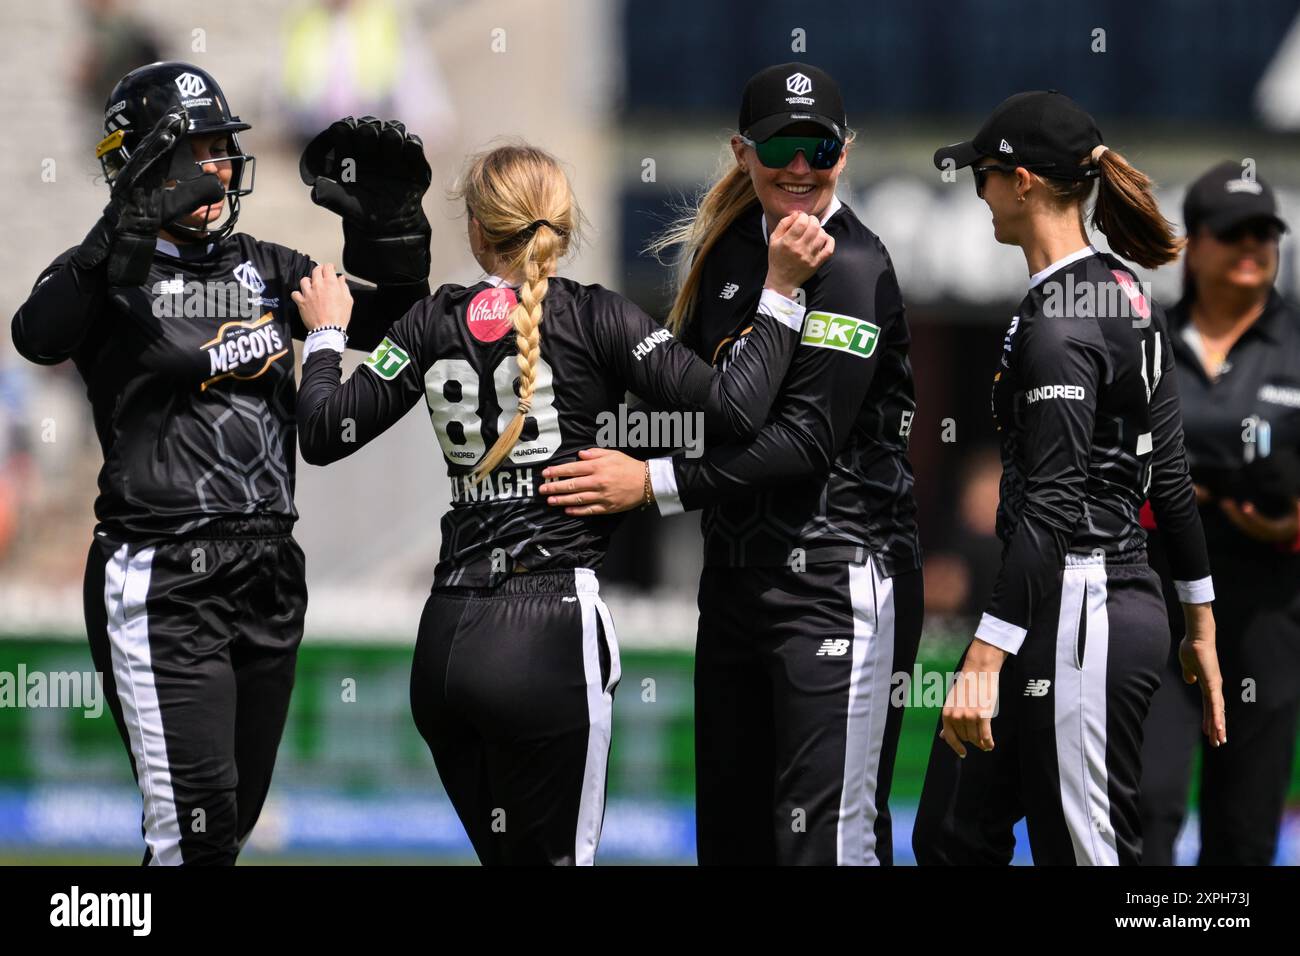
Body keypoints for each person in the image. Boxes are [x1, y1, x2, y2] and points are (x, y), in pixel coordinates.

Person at [293, 143, 829, 864]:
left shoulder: (428, 322)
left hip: (447, 637)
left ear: (478, 231)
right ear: (565, 224)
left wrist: (327, 332)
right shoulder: (598, 316)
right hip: (546, 632)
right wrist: (782, 291)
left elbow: (324, 433)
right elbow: (736, 408)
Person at [9, 61, 432, 864]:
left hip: (268, 577)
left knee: (222, 835)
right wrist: (118, 226)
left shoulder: (265, 267)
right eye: (193, 147)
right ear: (139, 162)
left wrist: (398, 243)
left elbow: (388, 332)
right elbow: (37, 332)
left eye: (219, 146)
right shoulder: (108, 277)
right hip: (166, 579)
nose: (215, 165)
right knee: (190, 842)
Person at [537, 62, 924, 866]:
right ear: (741, 150)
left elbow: (804, 443)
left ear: (843, 154)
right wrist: (570, 434)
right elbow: (697, 410)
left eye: (818, 147)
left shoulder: (850, 267)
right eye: (780, 144)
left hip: (833, 581)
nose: (799, 166)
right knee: (734, 840)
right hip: (738, 581)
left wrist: (649, 485)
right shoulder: (727, 254)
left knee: (827, 844)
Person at [913, 90, 1225, 866]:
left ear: (1020, 182)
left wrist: (983, 658)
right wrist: (1200, 625)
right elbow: (1172, 480)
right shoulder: (1123, 293)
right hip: (1058, 612)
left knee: (1087, 855)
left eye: (981, 174)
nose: (977, 192)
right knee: (952, 834)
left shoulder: (1065, 318)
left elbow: (1054, 505)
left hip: (1085, 607)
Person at [1139, 161, 1300, 865]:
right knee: (1148, 803)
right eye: (1234, 232)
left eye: (1265, 234)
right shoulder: (1144, 339)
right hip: (1158, 593)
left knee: (1245, 826)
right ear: (1193, 245)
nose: (1251, 248)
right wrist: (1169, 488)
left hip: (1268, 602)